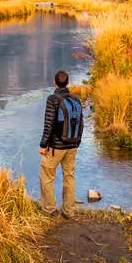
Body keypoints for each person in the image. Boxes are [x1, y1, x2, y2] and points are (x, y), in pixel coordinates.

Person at [39, 70, 83, 218]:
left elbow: (48, 124)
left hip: (56, 147)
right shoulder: (76, 99)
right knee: (69, 176)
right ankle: (68, 211)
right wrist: (77, 143)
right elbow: (81, 123)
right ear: (68, 83)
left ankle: (50, 209)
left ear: (55, 83)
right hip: (72, 145)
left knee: (46, 175)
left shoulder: (53, 99)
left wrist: (43, 145)